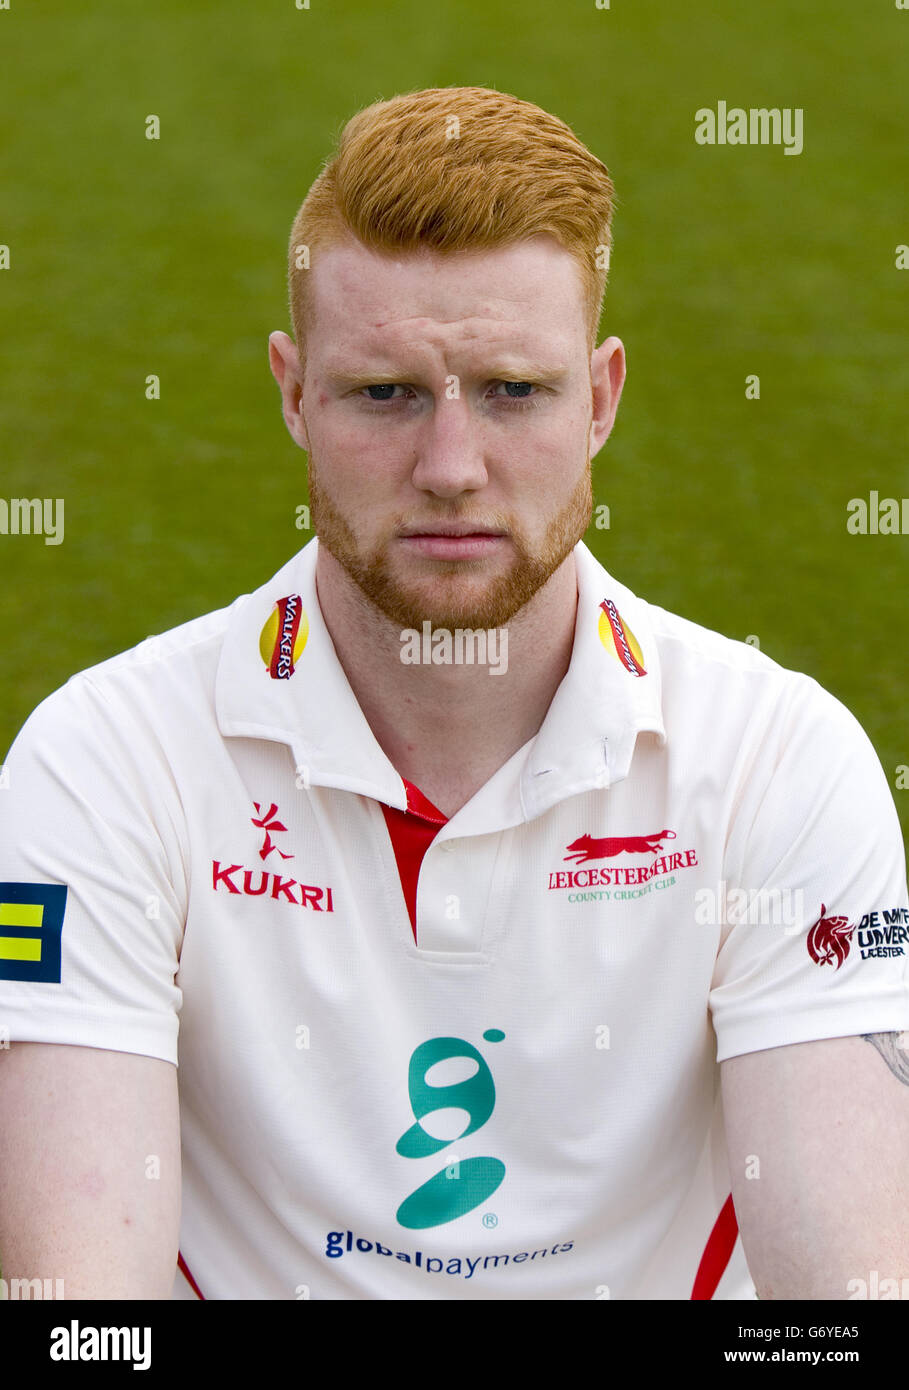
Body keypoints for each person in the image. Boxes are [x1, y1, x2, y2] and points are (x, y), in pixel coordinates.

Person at [1, 85, 907, 1302]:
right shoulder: (103, 762)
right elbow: (81, 1318)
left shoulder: (778, 760)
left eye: (512, 392)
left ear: (600, 398)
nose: (451, 467)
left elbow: (843, 1311)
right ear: (292, 394)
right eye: (386, 394)